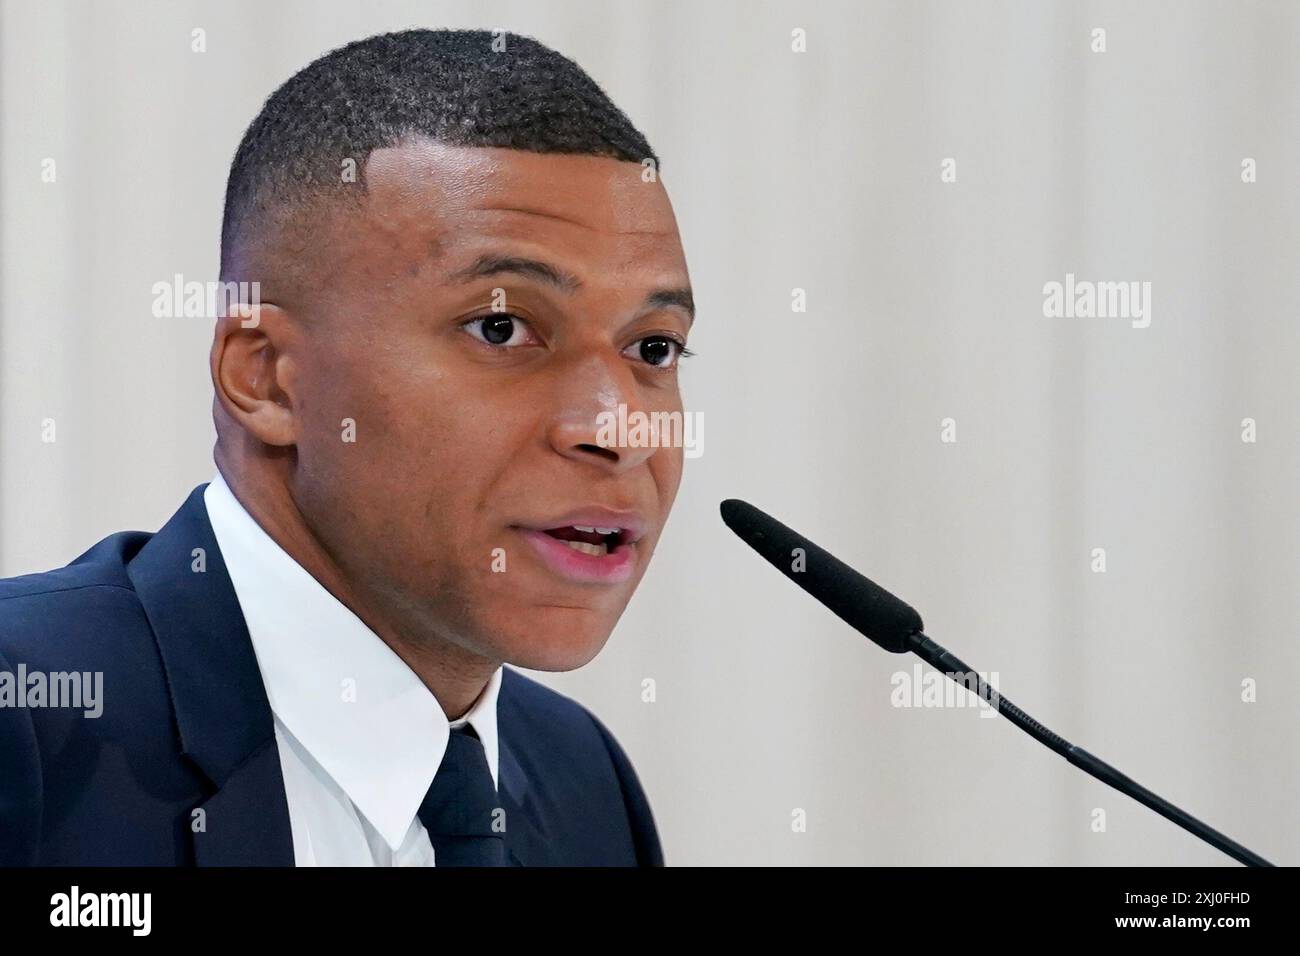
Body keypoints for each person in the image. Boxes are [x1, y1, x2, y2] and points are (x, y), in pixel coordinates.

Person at [0, 27, 693, 866]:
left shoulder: (584, 786)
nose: (616, 427)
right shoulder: (30, 722)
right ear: (266, 380)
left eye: (653, 348)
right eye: (502, 328)